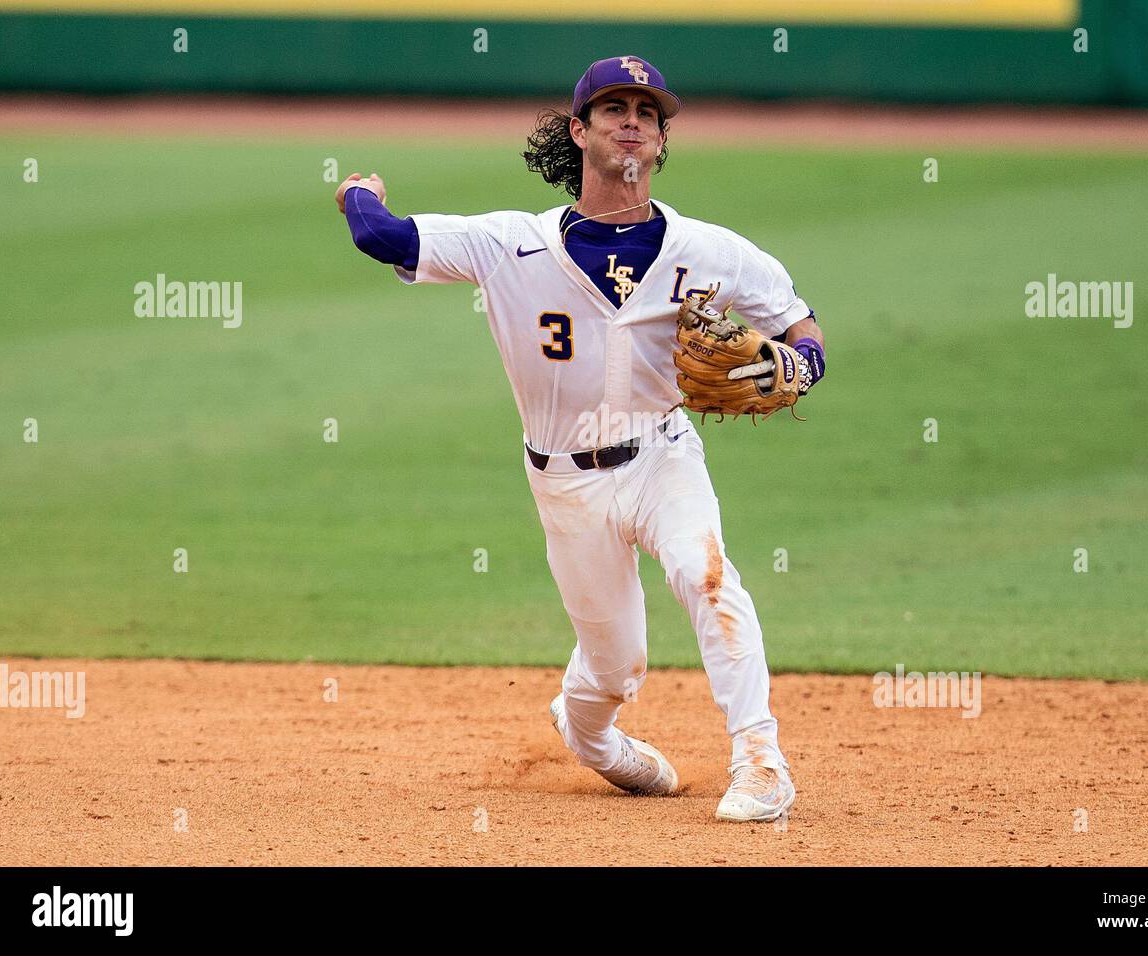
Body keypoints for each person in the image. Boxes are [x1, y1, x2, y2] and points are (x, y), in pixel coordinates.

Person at [335, 55, 825, 822]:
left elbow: (799, 324)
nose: (632, 121)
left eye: (647, 112)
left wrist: (801, 364)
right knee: (615, 668)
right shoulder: (509, 246)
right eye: (612, 109)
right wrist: (358, 192)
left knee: (706, 575)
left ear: (662, 141)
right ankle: (592, 740)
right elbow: (381, 237)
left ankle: (761, 762)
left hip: (664, 453)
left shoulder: (711, 250)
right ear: (579, 130)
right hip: (566, 485)